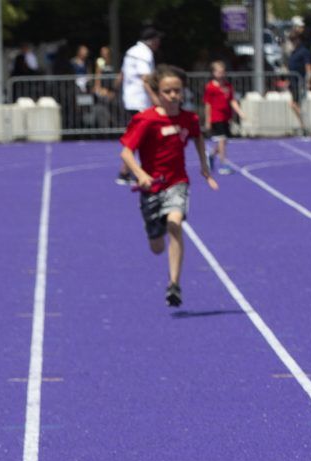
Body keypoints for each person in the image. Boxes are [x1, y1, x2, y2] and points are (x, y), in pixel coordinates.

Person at [119, 64, 218, 308]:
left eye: (177, 90)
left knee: (175, 222)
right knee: (156, 245)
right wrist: (141, 174)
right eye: (168, 91)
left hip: (177, 181)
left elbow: (197, 138)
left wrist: (204, 167)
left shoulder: (189, 118)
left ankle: (174, 283)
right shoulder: (146, 120)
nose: (173, 96)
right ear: (158, 92)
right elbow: (126, 153)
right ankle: (155, 230)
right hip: (151, 187)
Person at [116, 26, 163, 184]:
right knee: (141, 135)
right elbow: (145, 78)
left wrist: (114, 90)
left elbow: (121, 74)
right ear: (152, 41)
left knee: (137, 134)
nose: (159, 43)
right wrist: (156, 98)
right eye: (157, 40)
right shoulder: (144, 53)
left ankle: (126, 171)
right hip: (141, 100)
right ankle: (132, 170)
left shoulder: (131, 51)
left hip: (130, 98)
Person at [202, 60, 244, 175]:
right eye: (218, 72)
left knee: (224, 141)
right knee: (221, 139)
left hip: (226, 117)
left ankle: (211, 154)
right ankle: (223, 163)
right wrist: (207, 121)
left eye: (223, 72)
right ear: (214, 73)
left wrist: (240, 112)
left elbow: (232, 101)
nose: (221, 74)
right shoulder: (210, 87)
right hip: (216, 117)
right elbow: (208, 105)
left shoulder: (228, 86)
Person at [285, 28, 311, 135]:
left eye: (294, 39)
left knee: (294, 104)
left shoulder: (304, 52)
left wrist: (308, 81)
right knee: (295, 104)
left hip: (300, 82)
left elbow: (308, 67)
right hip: (293, 83)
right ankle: (303, 126)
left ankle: (304, 124)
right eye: (291, 40)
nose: (292, 42)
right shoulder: (293, 52)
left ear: (298, 39)